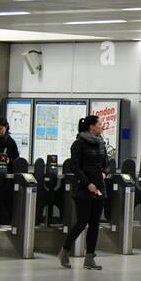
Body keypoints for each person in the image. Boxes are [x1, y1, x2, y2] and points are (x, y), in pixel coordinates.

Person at [58, 115, 107, 270]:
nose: (102, 126)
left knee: (94, 223)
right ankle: (65, 250)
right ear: (91, 127)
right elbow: (75, 167)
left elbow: (107, 163)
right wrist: (88, 184)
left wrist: (105, 173)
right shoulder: (78, 144)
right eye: (99, 124)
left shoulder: (101, 143)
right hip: (84, 189)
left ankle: (90, 258)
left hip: (100, 187)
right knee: (82, 222)